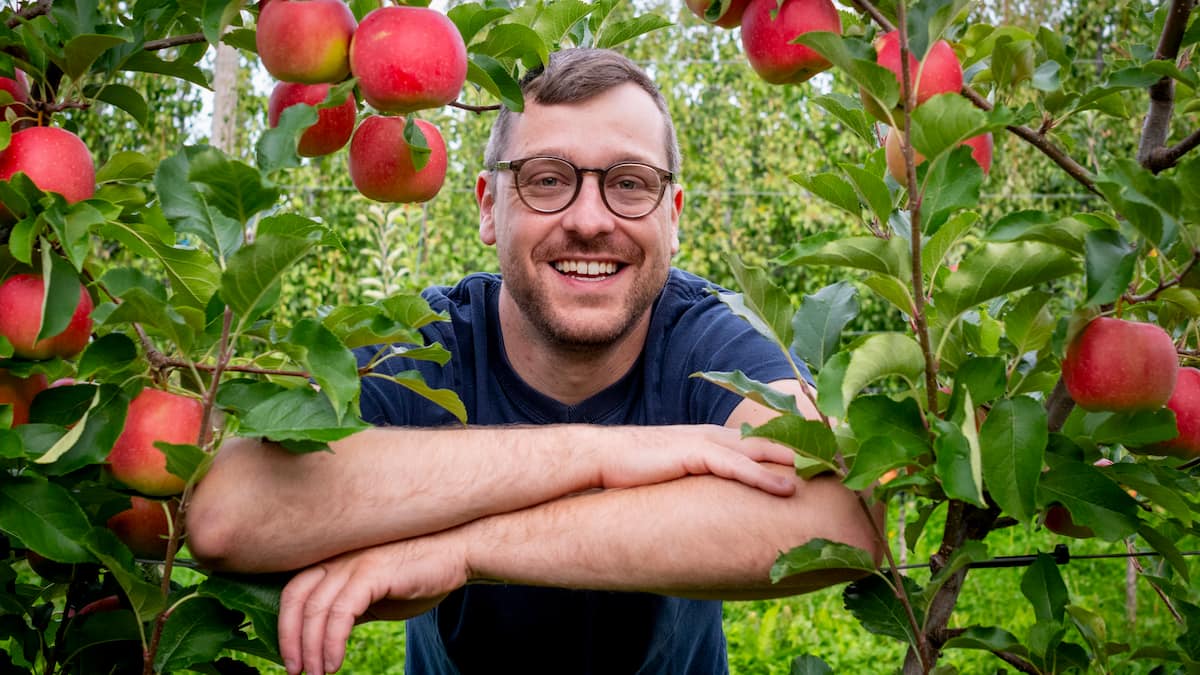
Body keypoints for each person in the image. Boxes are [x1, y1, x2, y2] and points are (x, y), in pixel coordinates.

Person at [186, 48, 881, 675]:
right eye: (547, 180)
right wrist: (598, 455)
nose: (588, 218)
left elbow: (844, 510)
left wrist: (459, 548)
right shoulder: (426, 343)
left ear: (674, 214)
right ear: (491, 207)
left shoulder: (708, 336)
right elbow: (228, 509)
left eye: (630, 182)